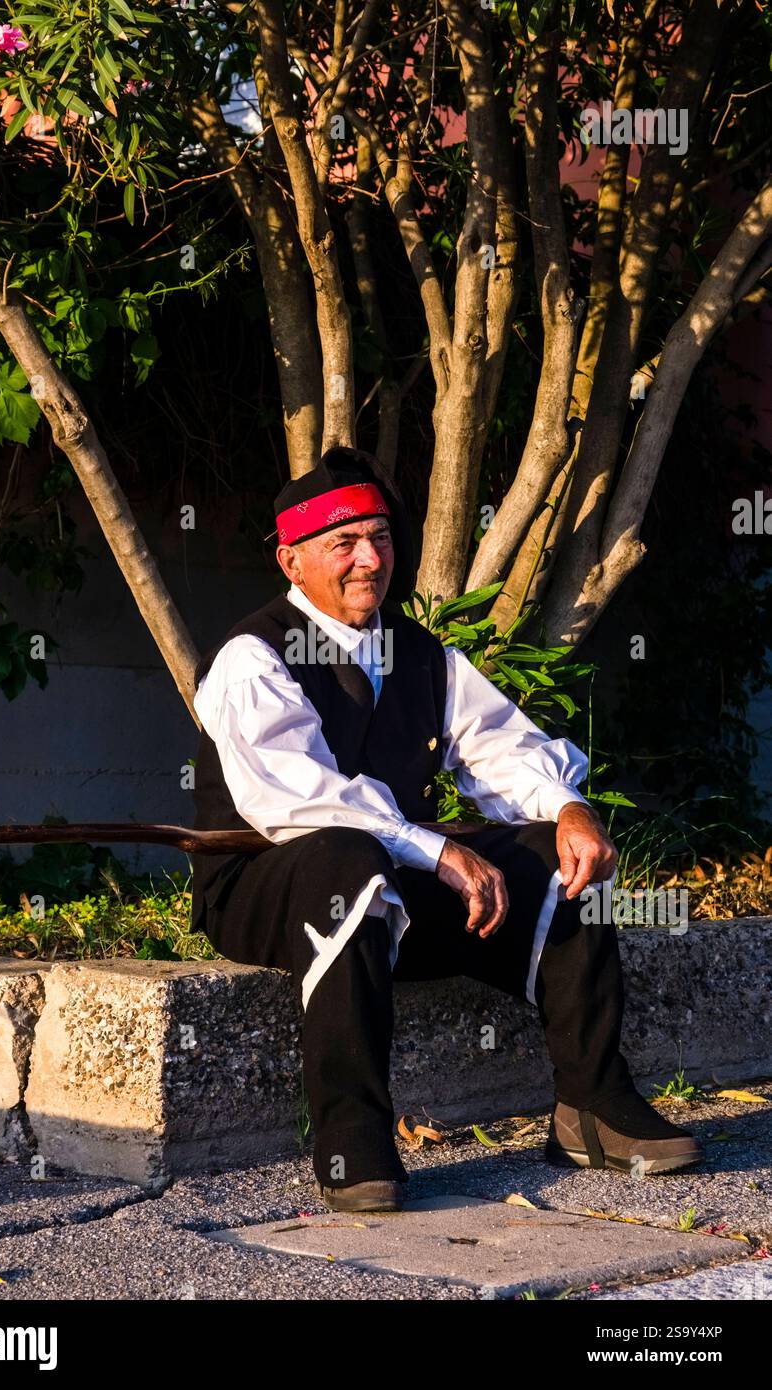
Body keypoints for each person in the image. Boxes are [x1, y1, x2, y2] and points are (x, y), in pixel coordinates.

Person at [190, 446, 703, 1212]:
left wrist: (566, 810)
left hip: (390, 885)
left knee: (549, 856)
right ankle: (351, 1138)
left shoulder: (422, 656)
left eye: (382, 539)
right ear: (291, 560)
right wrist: (436, 850)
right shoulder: (251, 657)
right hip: (273, 890)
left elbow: (502, 747)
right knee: (344, 854)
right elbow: (298, 800)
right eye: (345, 544)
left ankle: (592, 1105)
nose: (371, 560)